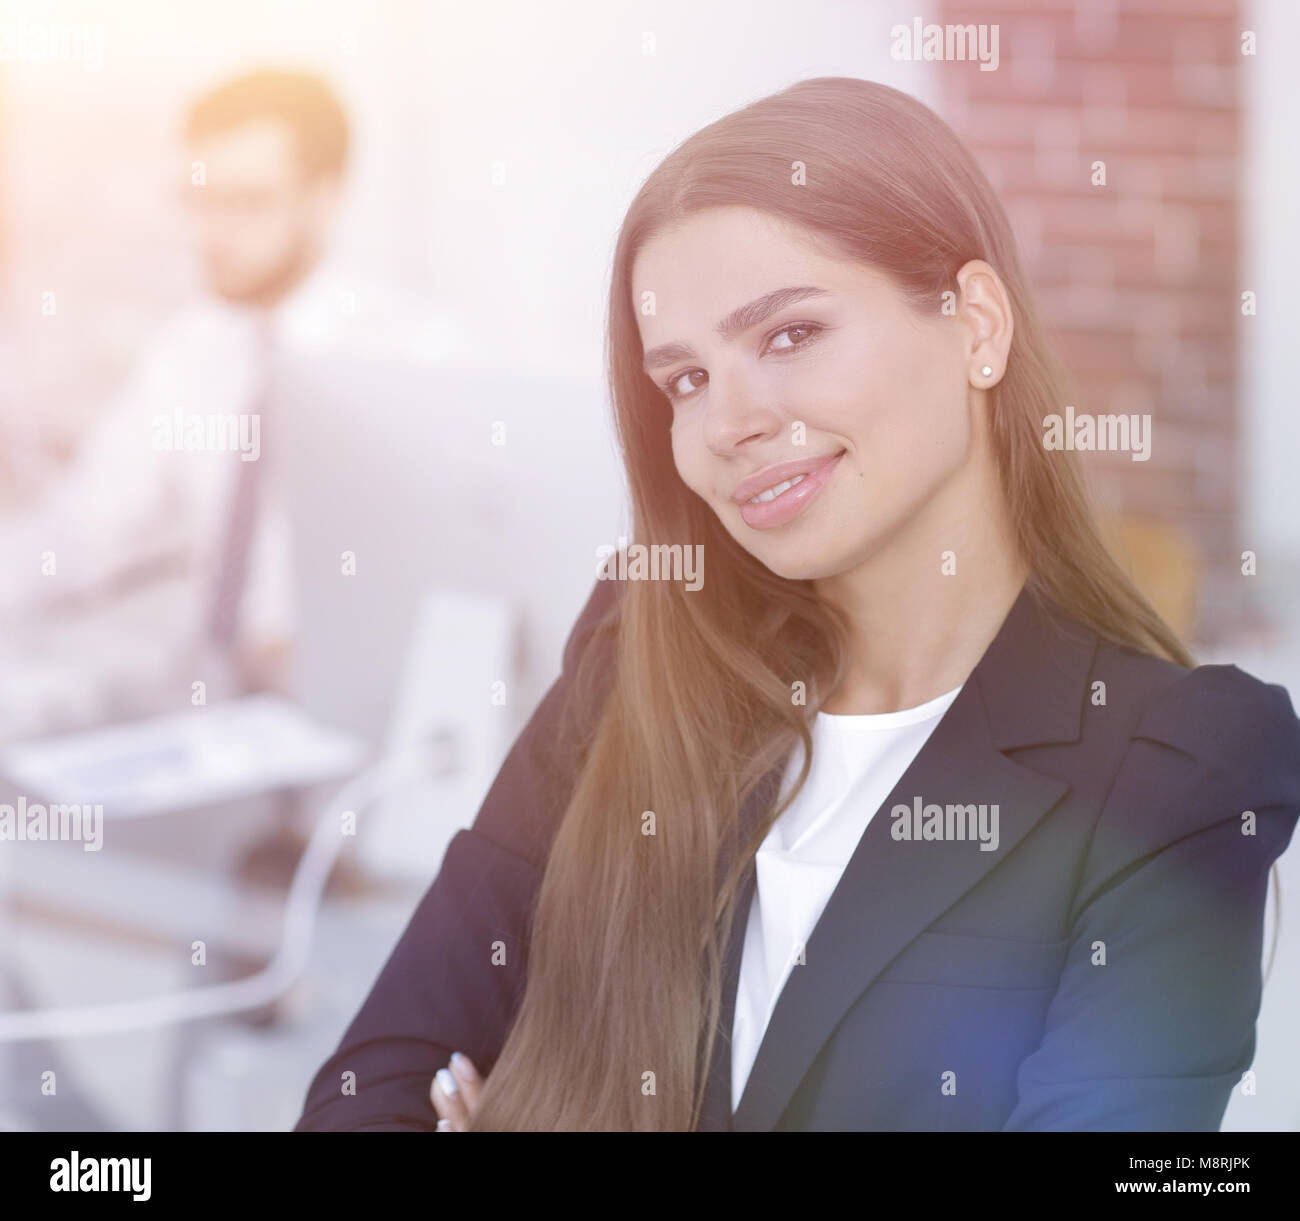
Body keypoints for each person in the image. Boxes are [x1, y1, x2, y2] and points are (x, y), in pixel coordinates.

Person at [293, 77, 1300, 1133]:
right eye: (682, 380)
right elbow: (371, 1088)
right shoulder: (641, 651)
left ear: (977, 326)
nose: (727, 422)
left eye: (787, 336)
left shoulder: (1177, 769)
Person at [0, 69, 352, 733]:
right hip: (207, 717)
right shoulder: (191, 350)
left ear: (323, 200)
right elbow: (79, 533)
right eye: (200, 200)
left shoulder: (408, 359)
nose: (212, 232)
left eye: (245, 202)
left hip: (340, 723)